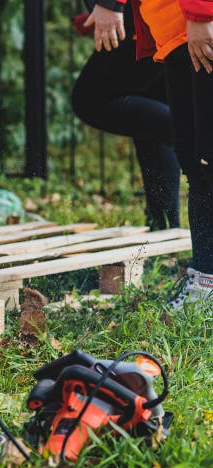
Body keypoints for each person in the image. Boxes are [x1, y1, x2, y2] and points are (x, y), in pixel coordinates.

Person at [129, 0, 213, 307]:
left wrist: (202, 14)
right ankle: (205, 281)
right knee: (195, 163)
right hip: (177, 37)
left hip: (199, 27)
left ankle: (205, 281)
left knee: (208, 161)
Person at [72, 1, 181, 231]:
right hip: (159, 16)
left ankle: (192, 132)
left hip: (141, 15)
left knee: (89, 101)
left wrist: (110, 5)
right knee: (149, 109)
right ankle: (163, 226)